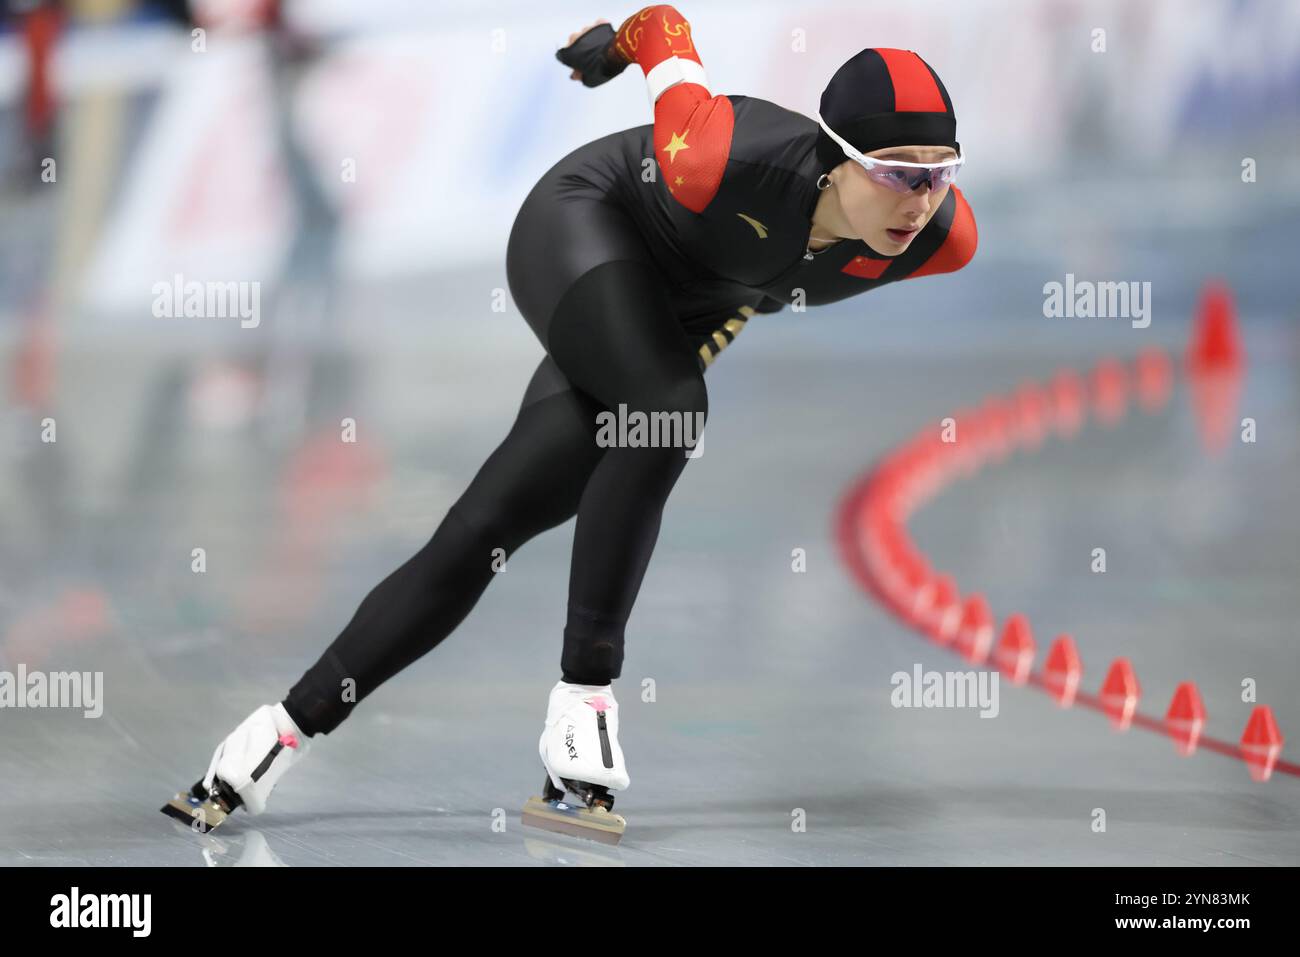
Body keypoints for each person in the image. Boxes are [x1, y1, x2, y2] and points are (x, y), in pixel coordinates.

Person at [180, 4, 978, 831]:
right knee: (670, 407)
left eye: (938, 173)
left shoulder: (942, 240)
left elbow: (770, 276)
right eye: (894, 171)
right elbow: (665, 25)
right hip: (587, 223)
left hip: (677, 314)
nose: (919, 200)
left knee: (487, 527)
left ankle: (273, 735)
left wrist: (736, 306)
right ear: (832, 159)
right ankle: (584, 699)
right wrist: (605, 54)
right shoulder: (719, 153)